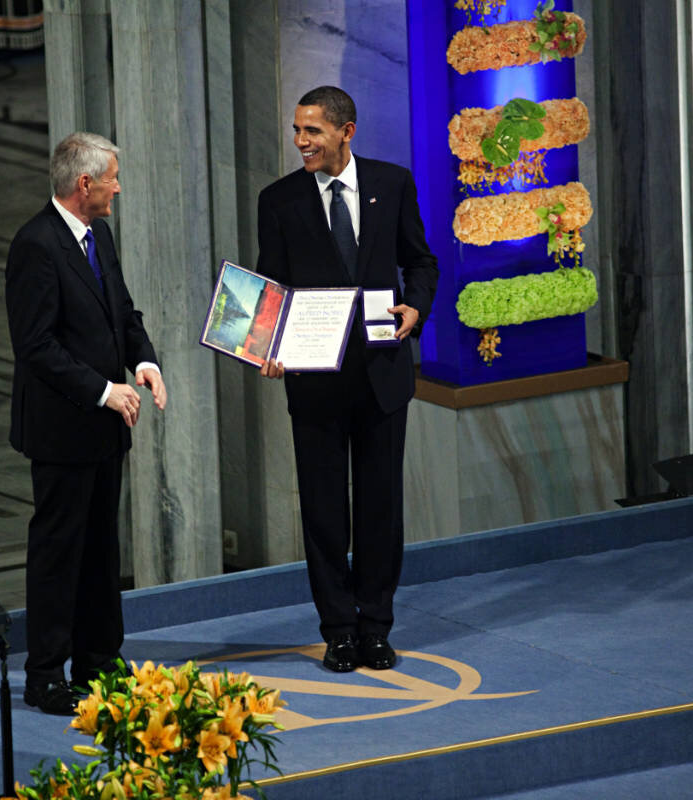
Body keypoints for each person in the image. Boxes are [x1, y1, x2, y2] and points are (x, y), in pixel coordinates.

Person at [256, 86, 438, 672]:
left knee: (381, 509)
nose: (301, 142)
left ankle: (376, 626)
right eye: (297, 131)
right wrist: (268, 345)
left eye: (312, 131)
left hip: (383, 377)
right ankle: (338, 630)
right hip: (314, 383)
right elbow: (271, 288)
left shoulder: (394, 182)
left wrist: (416, 308)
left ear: (346, 132)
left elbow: (422, 261)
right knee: (324, 511)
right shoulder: (278, 200)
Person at [5, 132, 166, 714]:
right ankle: (46, 672)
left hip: (104, 427)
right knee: (59, 552)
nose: (119, 187)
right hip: (61, 429)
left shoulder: (99, 233)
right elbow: (36, 346)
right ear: (85, 184)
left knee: (101, 548)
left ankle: (98, 658)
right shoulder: (35, 246)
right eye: (113, 178)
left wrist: (144, 361)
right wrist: (103, 390)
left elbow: (120, 309)